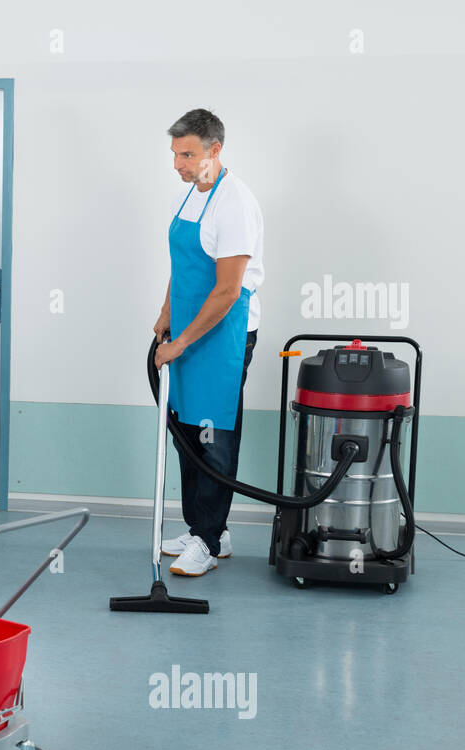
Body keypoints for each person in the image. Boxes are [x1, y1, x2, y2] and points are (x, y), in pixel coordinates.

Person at [152, 108, 264, 577]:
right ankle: (203, 528)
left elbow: (226, 291)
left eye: (188, 154)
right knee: (186, 434)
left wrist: (179, 345)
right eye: (175, 153)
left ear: (214, 150)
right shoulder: (194, 196)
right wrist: (164, 317)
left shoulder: (233, 202)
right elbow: (185, 270)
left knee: (212, 437)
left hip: (223, 336)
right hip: (189, 329)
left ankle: (209, 539)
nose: (177, 163)